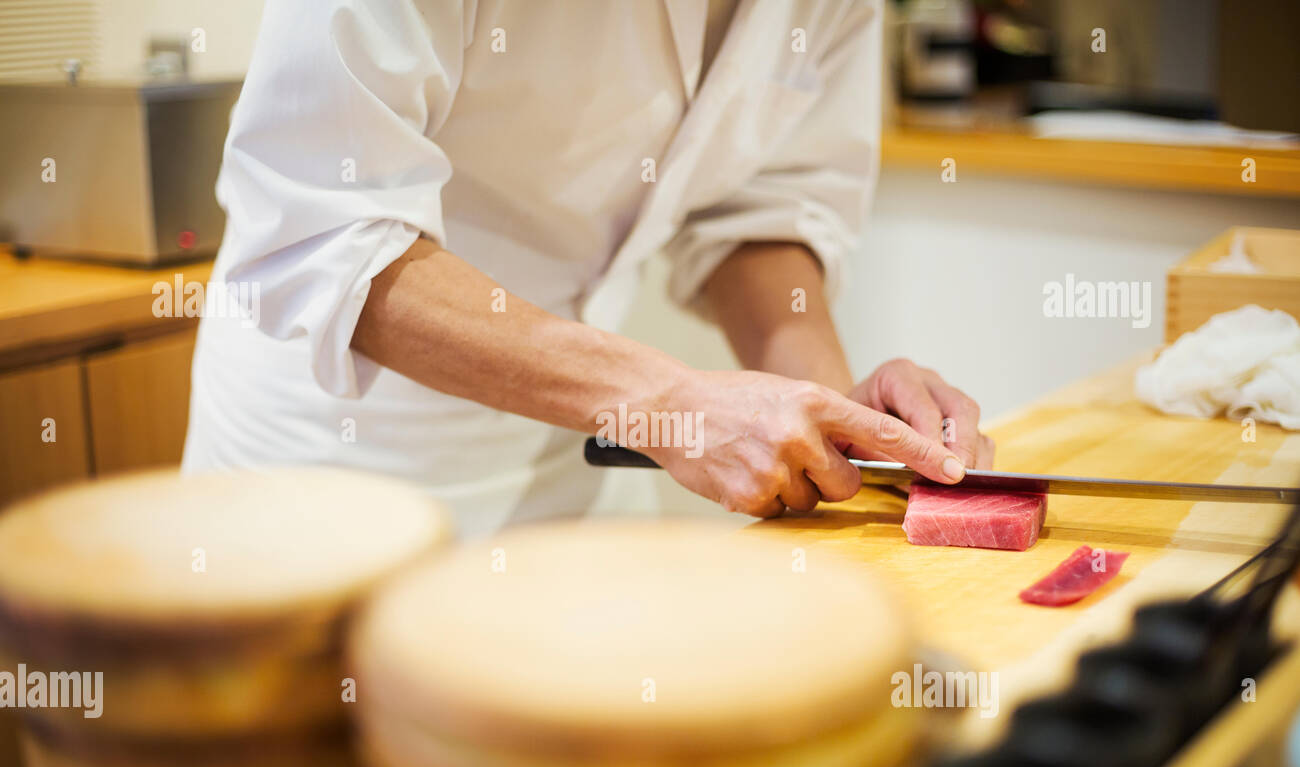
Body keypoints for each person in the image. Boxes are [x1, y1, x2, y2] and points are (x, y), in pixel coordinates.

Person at [184, 0, 994, 537]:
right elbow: (326, 228)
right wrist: (667, 406)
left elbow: (760, 211)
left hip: (577, 460)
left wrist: (836, 415)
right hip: (338, 473)